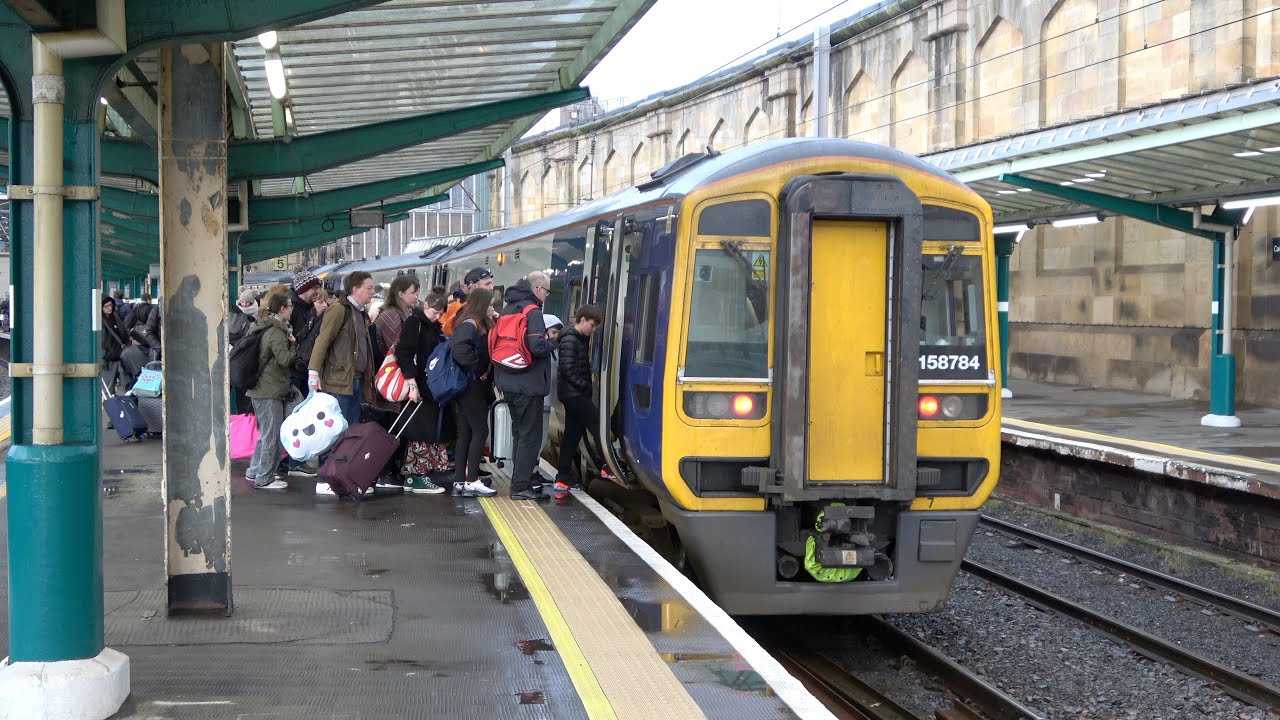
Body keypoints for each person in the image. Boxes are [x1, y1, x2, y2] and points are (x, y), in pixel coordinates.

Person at [492, 272, 558, 500]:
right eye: (547, 291)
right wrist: (554, 341)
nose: (546, 296)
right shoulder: (533, 311)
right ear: (538, 289)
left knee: (519, 433)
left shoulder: (508, 309)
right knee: (530, 436)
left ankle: (519, 480)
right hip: (528, 384)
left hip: (507, 382)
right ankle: (521, 487)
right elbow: (537, 346)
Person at [394, 290, 465, 495]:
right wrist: (412, 384)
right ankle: (416, 476)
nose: (436, 316)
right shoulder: (414, 323)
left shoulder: (432, 325)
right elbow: (403, 353)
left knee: (425, 431)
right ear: (425, 306)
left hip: (431, 387)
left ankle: (415, 475)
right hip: (420, 386)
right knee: (419, 432)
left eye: (440, 313)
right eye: (434, 312)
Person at [554, 305, 613, 491]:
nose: (593, 330)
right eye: (592, 325)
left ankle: (562, 478)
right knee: (597, 424)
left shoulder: (578, 338)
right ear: (582, 320)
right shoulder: (570, 339)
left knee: (572, 435)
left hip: (572, 394)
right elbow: (567, 368)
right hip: (574, 394)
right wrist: (584, 385)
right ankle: (607, 466)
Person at [308, 271, 376, 427]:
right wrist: (313, 372)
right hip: (339, 382)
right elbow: (323, 340)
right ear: (355, 289)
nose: (373, 291)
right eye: (369, 288)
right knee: (338, 429)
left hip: (354, 380)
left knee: (351, 428)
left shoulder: (359, 312)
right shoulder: (339, 310)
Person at [450, 287, 499, 497]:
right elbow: (460, 349)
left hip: (469, 386)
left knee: (467, 433)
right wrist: (477, 369)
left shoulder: (471, 322)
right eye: (490, 305)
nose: (493, 308)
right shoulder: (470, 324)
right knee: (481, 431)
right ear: (481, 305)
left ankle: (460, 481)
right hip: (472, 387)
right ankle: (471, 481)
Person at [244, 293, 295, 490]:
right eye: (290, 306)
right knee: (272, 435)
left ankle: (255, 470)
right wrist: (292, 344)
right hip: (269, 389)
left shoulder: (264, 325)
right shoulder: (276, 331)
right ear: (282, 308)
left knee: (266, 433)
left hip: (262, 388)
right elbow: (285, 359)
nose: (292, 309)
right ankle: (264, 478)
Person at [441, 267, 494, 336]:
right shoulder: (463, 313)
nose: (491, 287)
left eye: (491, 283)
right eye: (487, 284)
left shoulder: (480, 310)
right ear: (474, 287)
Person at [99, 296, 129, 393]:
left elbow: (124, 335)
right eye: (106, 306)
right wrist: (105, 354)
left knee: (129, 387)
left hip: (120, 358)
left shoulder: (116, 318)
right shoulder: (98, 321)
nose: (109, 308)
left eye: (111, 305)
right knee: (108, 390)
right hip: (107, 361)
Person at [129, 293, 162, 361]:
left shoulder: (137, 308)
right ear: (148, 300)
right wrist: (160, 348)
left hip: (142, 331)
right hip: (156, 344)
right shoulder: (151, 309)